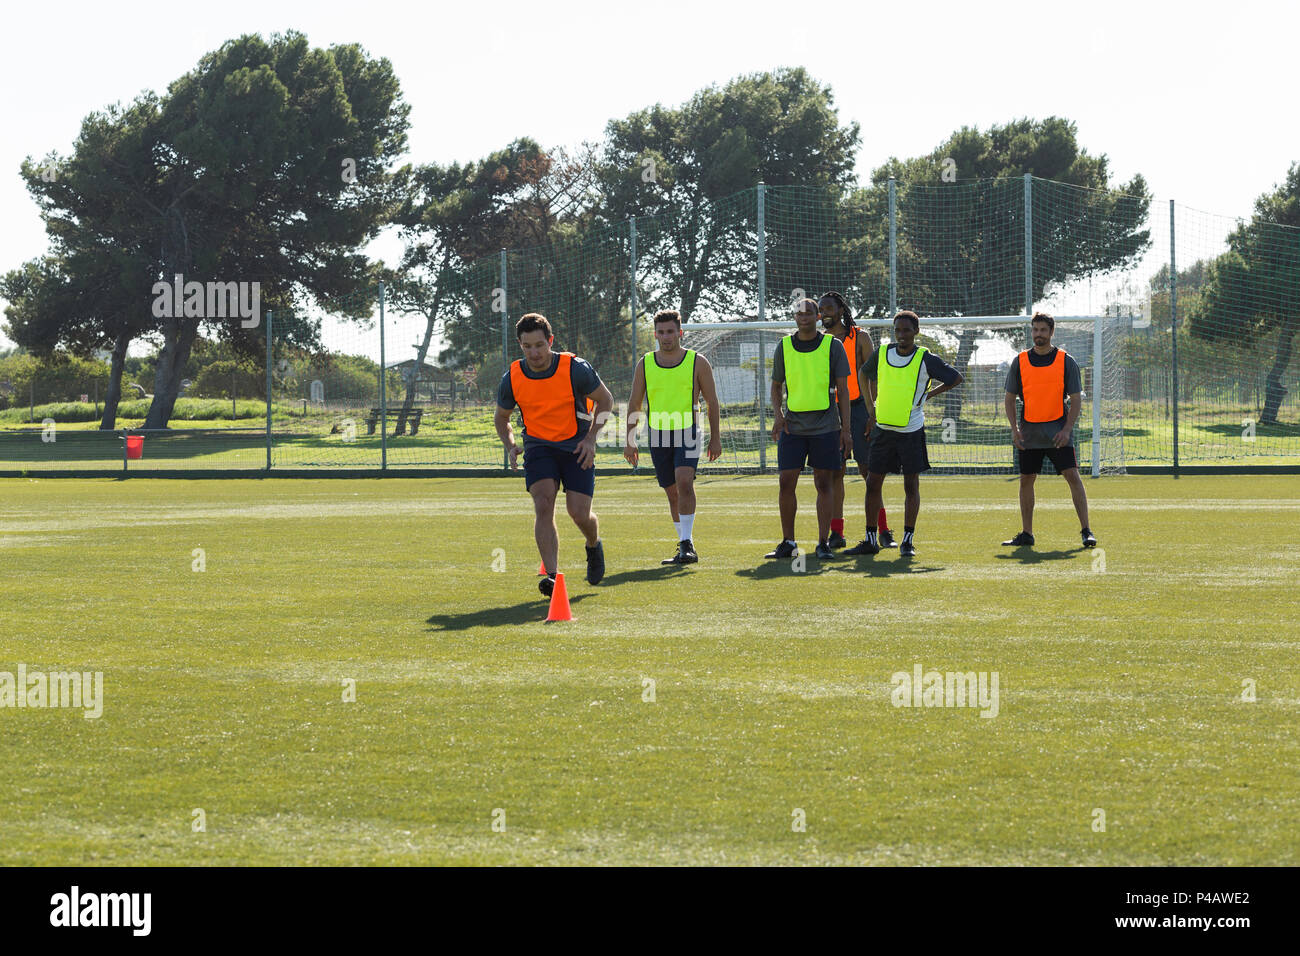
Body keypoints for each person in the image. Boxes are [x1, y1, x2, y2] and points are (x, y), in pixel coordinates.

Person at [495, 312, 614, 597]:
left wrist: (590, 440)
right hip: (538, 447)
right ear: (520, 346)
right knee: (543, 502)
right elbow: (502, 419)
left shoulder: (576, 369)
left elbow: (606, 400)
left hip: (576, 446)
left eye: (539, 345)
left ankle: (592, 544)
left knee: (579, 513)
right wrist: (510, 445)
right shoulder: (512, 377)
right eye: (527, 346)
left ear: (550, 341)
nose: (534, 352)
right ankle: (552, 576)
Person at [860, 310, 964, 558]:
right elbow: (864, 374)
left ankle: (907, 540)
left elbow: (955, 378)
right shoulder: (883, 353)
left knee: (910, 485)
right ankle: (871, 539)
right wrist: (870, 408)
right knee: (873, 484)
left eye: (907, 330)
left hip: (911, 432)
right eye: (897, 330)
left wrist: (927, 395)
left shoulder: (924, 358)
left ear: (916, 332)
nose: (901, 335)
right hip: (883, 431)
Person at [623, 309, 723, 564]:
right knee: (671, 492)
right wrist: (629, 440)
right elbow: (634, 403)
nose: (666, 337)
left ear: (680, 332)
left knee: (684, 481)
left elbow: (712, 402)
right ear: (655, 334)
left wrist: (715, 438)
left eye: (670, 331)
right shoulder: (645, 363)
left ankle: (688, 543)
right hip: (658, 434)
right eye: (661, 332)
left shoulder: (697, 361)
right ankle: (683, 546)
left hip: (688, 429)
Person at [765, 298, 854, 561]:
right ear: (794, 318)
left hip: (826, 428)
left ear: (817, 317)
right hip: (793, 428)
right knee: (785, 482)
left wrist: (846, 429)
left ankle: (823, 542)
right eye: (798, 313)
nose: (803, 317)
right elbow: (776, 386)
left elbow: (844, 390)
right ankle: (788, 542)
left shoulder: (832, 345)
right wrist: (778, 416)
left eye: (808, 313)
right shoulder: (783, 346)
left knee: (823, 483)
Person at [1001, 312, 1097, 549]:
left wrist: (1067, 430)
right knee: (1026, 480)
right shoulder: (1020, 361)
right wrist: (1015, 430)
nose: (1038, 335)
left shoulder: (1066, 360)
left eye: (1043, 330)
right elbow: (1009, 398)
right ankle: (1027, 533)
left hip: (1058, 434)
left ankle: (1086, 531)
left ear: (1052, 332)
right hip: (1029, 434)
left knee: (1073, 477)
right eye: (1035, 330)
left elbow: (1076, 400)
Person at [818, 292, 896, 553]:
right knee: (835, 473)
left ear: (841, 310)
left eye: (829, 307)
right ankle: (837, 532)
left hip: (861, 410)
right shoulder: (820, 342)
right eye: (821, 309)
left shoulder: (860, 337)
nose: (824, 313)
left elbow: (872, 377)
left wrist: (873, 411)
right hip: (832, 413)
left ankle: (883, 530)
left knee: (868, 471)